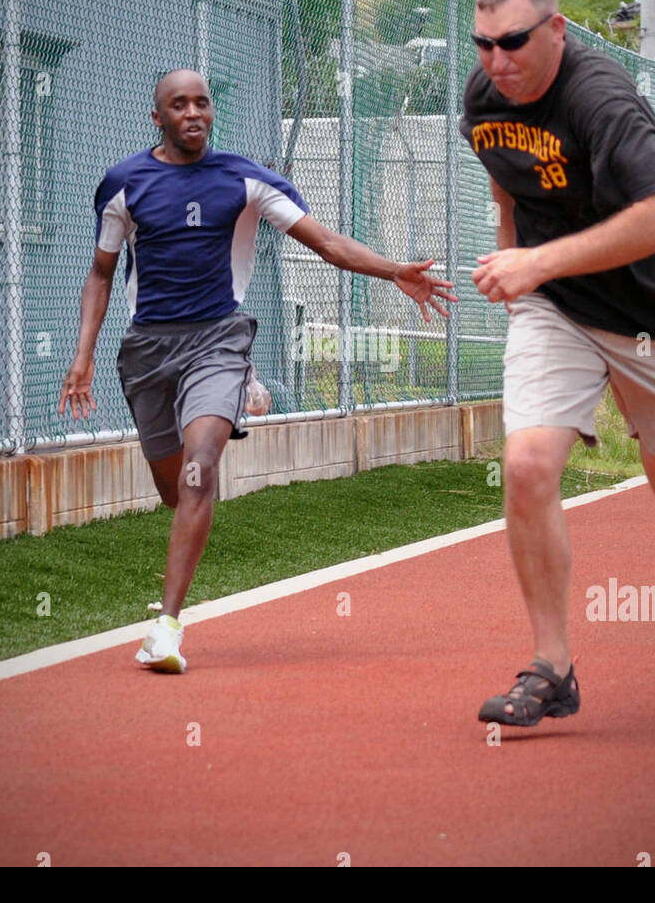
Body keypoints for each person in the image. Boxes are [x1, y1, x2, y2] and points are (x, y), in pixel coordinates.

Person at [57, 69, 455, 673]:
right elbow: (102, 274)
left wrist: (393, 269)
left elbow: (324, 242)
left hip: (218, 339)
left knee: (199, 472)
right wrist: (83, 356)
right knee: (174, 488)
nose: (194, 113)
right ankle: (241, 389)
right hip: (147, 352)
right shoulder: (123, 184)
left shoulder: (244, 180)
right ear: (157, 117)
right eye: (179, 104)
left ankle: (165, 629)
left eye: (203, 102)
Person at [459, 0, 655, 726]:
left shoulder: (601, 99)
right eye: (483, 43)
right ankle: (552, 666)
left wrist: (538, 261)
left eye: (514, 41)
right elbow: (508, 189)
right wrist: (518, 274)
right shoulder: (483, 97)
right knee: (525, 463)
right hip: (558, 308)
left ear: (555, 30)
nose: (497, 60)